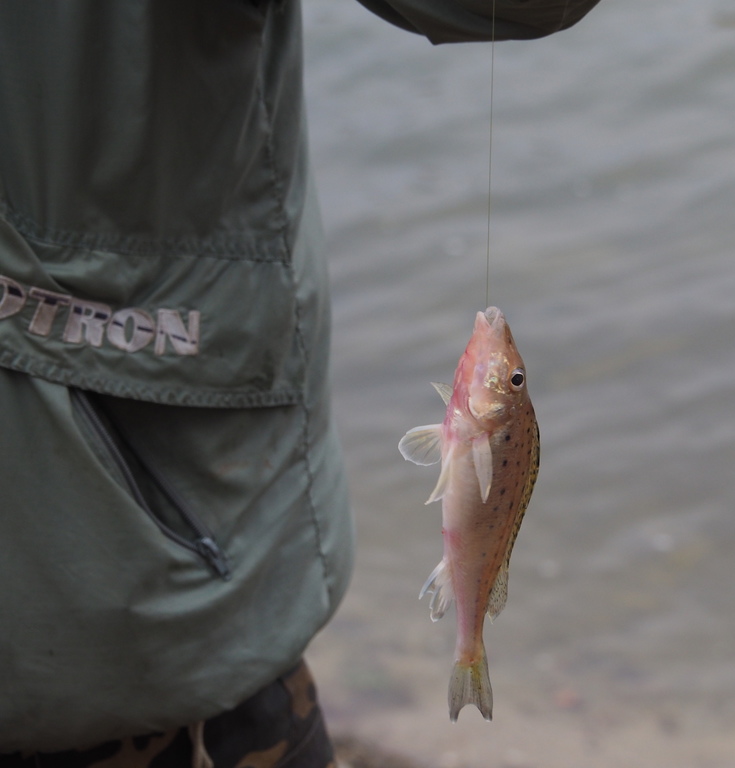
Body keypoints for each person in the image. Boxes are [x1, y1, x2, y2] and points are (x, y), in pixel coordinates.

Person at [0, 1, 600, 766]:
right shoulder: (483, 430)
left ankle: (468, 645)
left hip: (167, 633)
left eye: (508, 377)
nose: (499, 368)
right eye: (507, 377)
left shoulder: (481, 434)